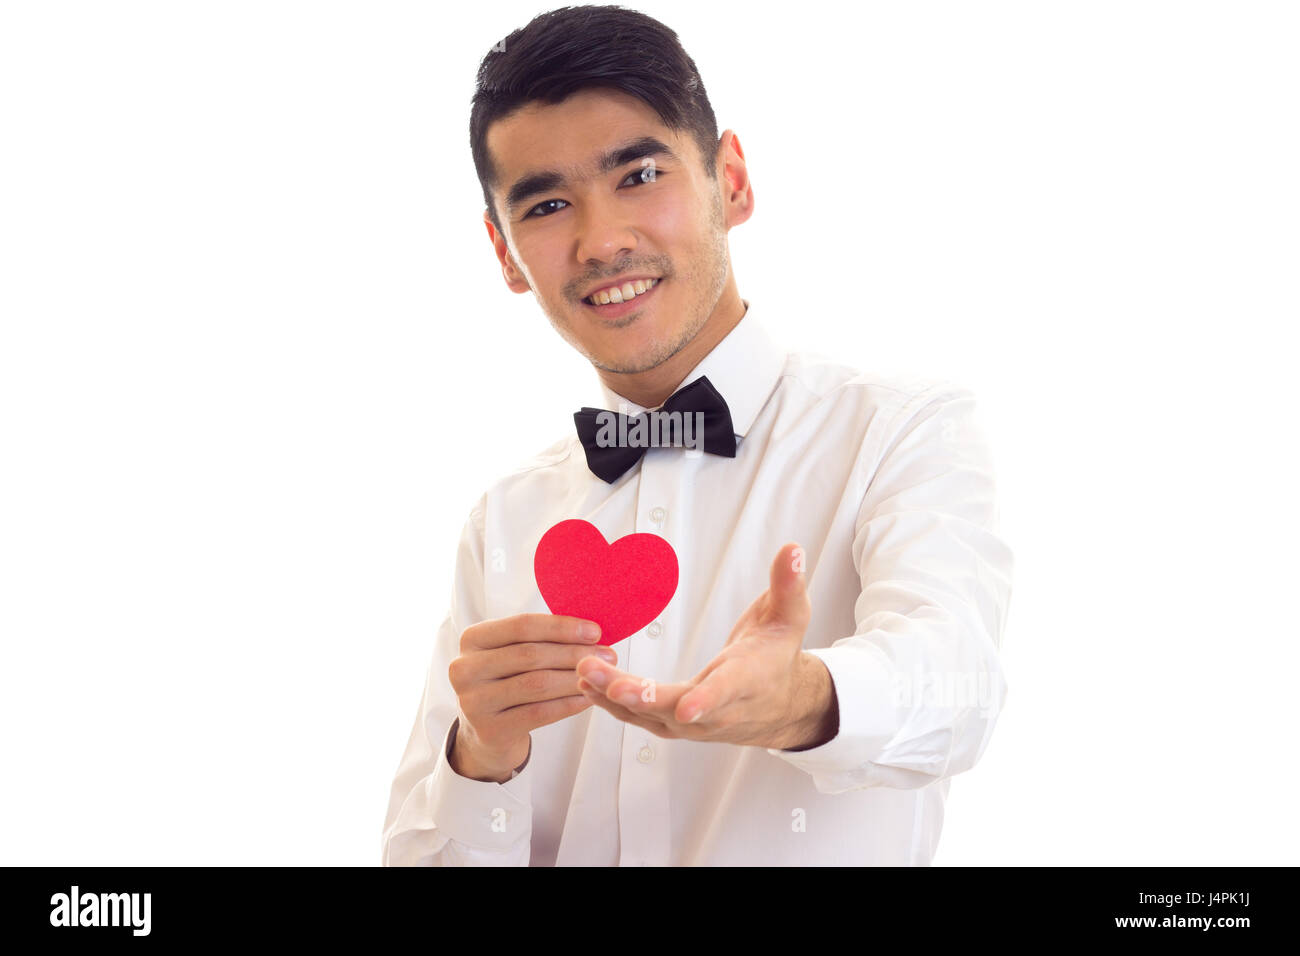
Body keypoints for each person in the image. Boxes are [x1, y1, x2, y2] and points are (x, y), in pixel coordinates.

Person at [381, 4, 1014, 866]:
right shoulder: (503, 520)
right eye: (550, 205)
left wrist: (805, 700)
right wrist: (484, 760)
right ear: (503, 254)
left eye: (640, 175)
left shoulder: (900, 432)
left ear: (732, 181)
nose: (603, 241)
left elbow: (957, 688)